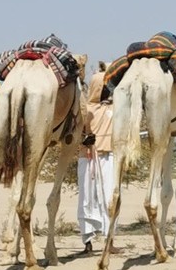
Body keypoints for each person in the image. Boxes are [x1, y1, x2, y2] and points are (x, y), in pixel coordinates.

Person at [77, 61, 116, 253]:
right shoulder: (85, 110)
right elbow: (76, 135)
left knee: (108, 197)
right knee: (87, 199)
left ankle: (109, 240)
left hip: (108, 157)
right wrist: (84, 140)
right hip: (88, 158)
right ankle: (88, 242)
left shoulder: (114, 109)